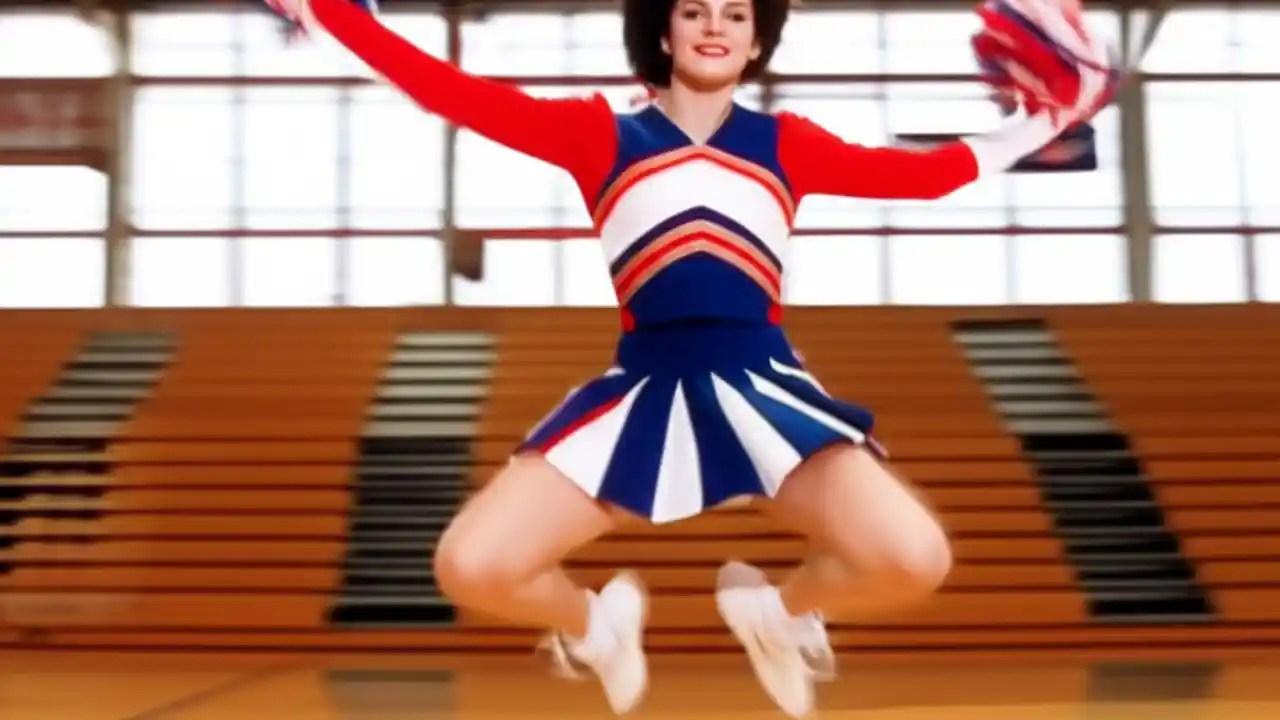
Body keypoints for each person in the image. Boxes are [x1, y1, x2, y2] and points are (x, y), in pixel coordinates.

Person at [264, 0, 1114, 716]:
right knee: (470, 565)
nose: (716, 25)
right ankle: (593, 626)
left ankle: (780, 613)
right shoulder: (597, 135)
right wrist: (329, 10)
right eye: (695, 10)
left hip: (765, 390)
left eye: (736, 13)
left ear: (757, 38)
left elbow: (927, 178)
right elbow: (445, 91)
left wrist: (1043, 119)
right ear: (663, 33)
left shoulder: (790, 145)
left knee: (914, 558)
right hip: (642, 391)